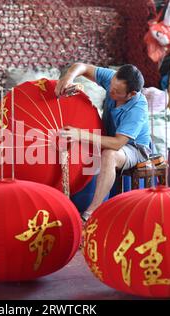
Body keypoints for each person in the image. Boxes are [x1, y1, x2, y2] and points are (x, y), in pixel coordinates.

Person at [56, 63, 151, 222]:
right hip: (107, 136)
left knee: (109, 155)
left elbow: (117, 144)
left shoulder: (137, 108)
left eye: (116, 92)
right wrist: (68, 78)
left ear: (132, 94)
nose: (110, 91)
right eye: (111, 86)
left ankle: (91, 214)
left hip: (133, 148)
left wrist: (80, 134)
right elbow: (82, 67)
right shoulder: (115, 80)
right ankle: (64, 204)